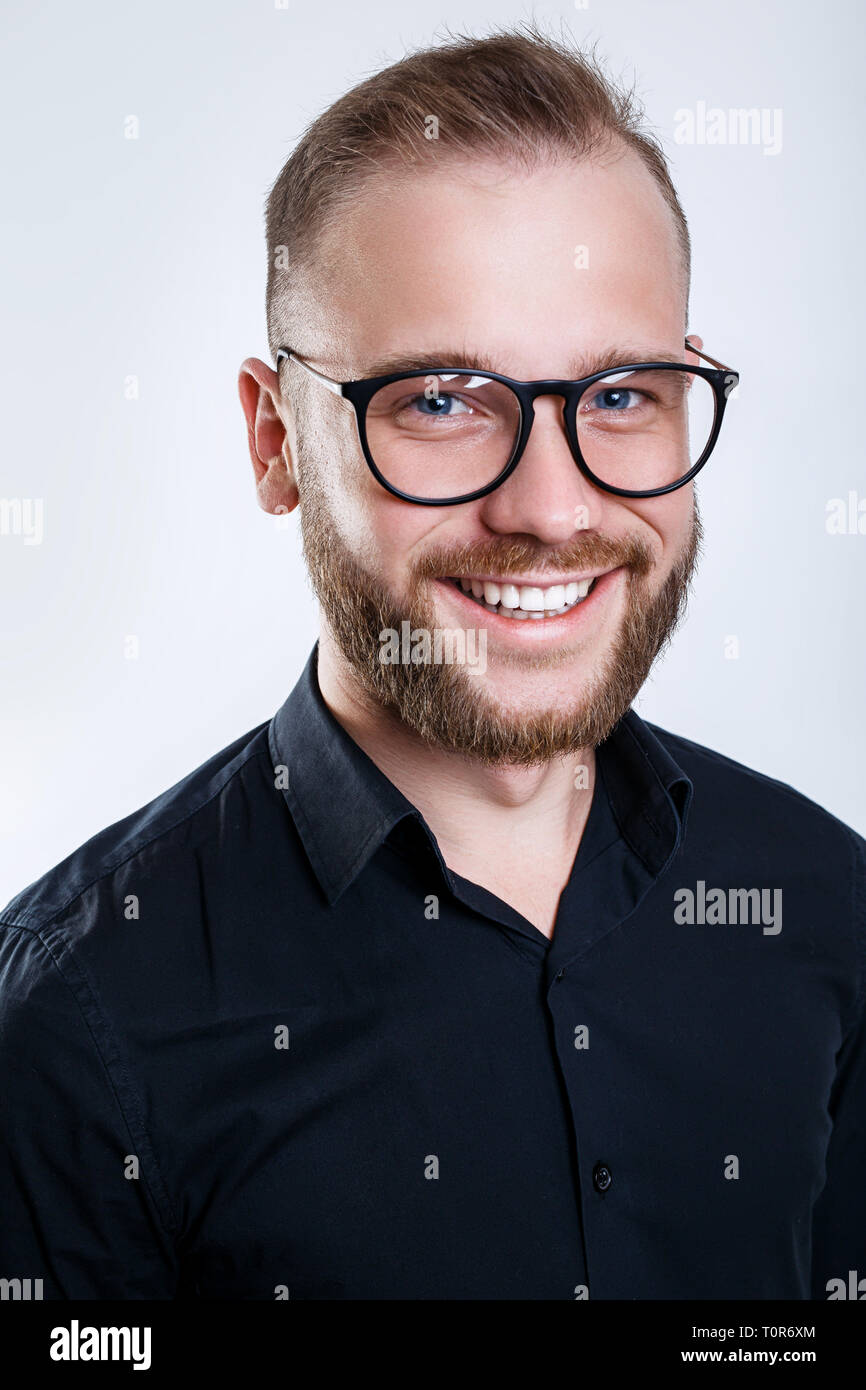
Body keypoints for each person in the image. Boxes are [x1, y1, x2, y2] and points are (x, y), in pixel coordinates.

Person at [1, 26, 863, 1301]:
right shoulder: (75, 1028)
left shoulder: (825, 907)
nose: (551, 509)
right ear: (273, 440)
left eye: (620, 393)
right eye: (444, 400)